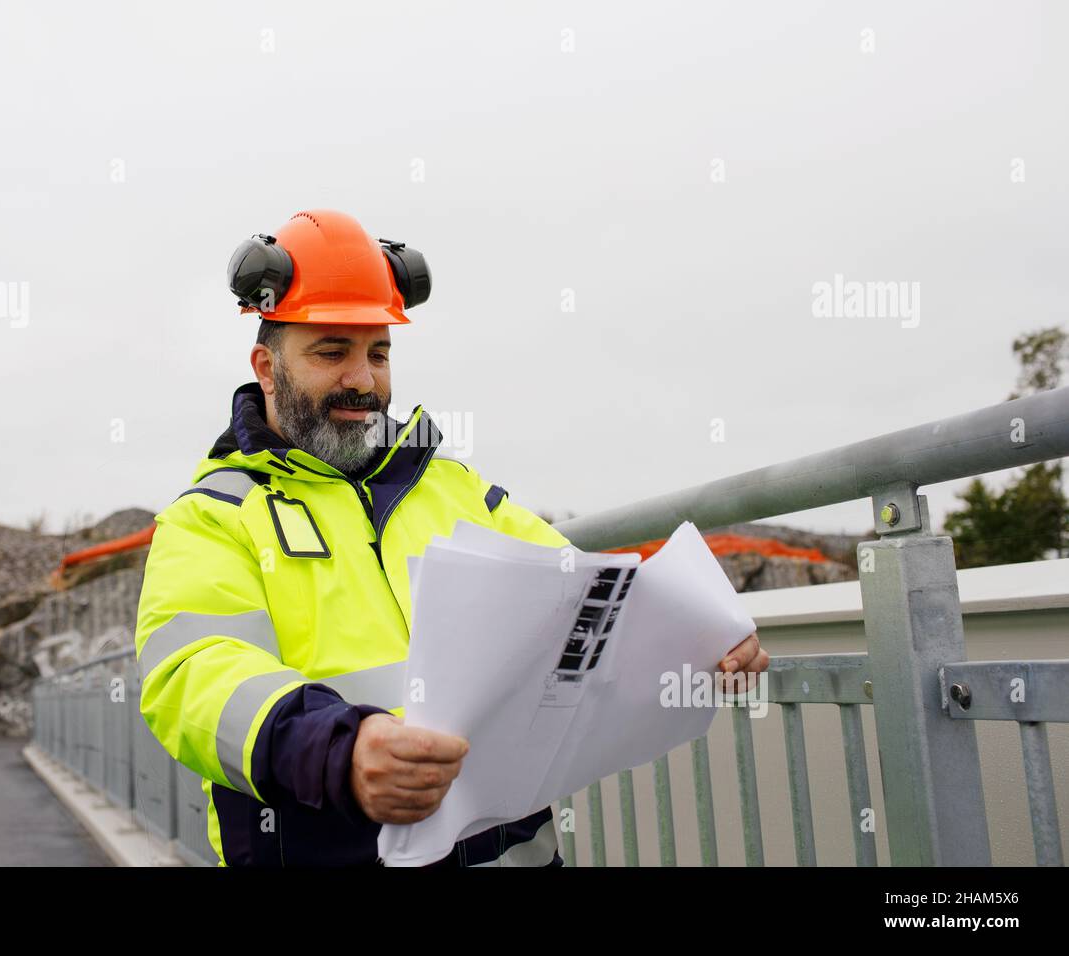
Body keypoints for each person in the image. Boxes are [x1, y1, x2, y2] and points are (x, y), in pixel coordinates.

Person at [134, 208, 770, 867]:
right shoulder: (212, 515)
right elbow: (191, 674)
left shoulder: (457, 490)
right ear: (267, 366)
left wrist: (697, 637)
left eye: (378, 352)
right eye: (332, 351)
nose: (363, 379)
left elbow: (589, 599)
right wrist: (338, 750)